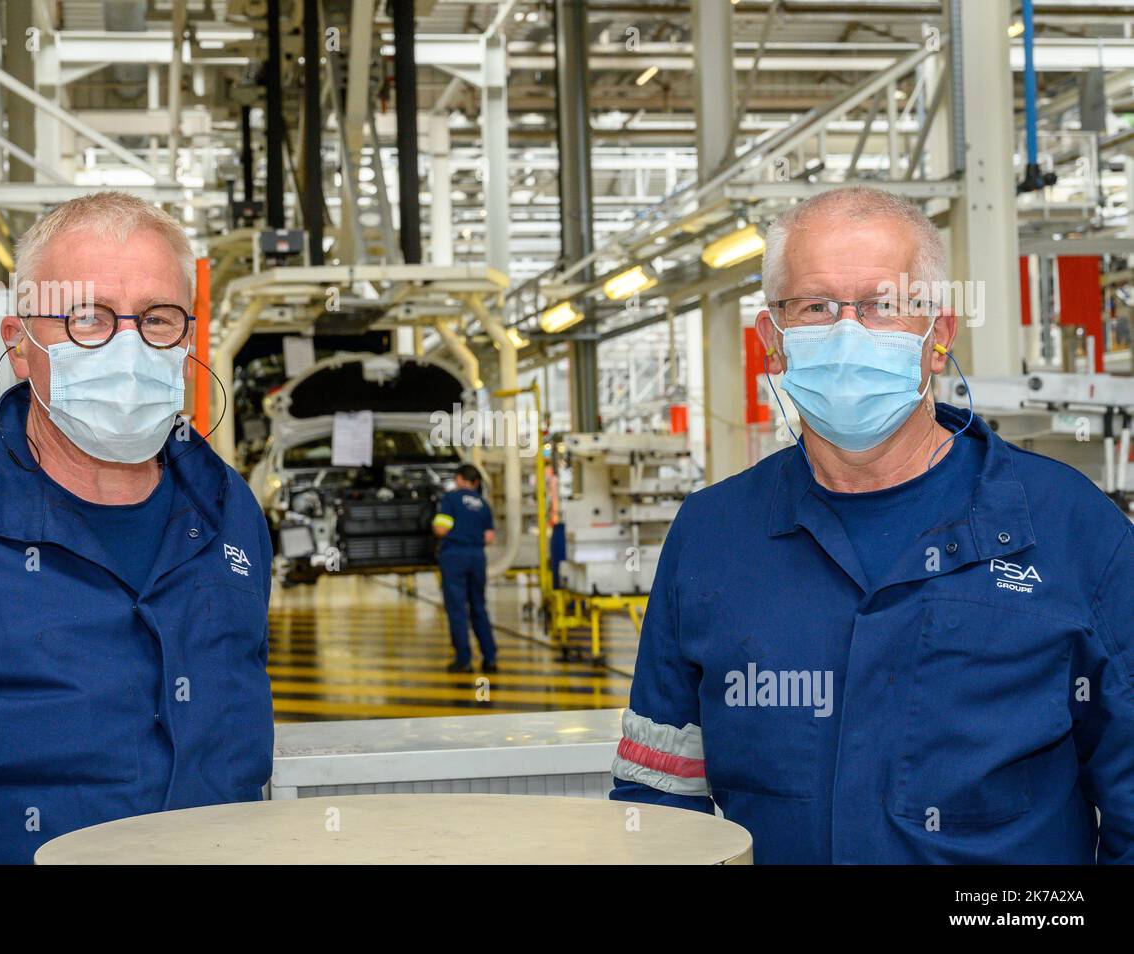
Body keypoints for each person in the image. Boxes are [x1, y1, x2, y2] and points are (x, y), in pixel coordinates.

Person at [610, 186, 1134, 864]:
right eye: (818, 307)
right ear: (774, 341)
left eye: (882, 305)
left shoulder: (1070, 528)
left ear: (937, 337)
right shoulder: (711, 537)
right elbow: (660, 794)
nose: (847, 332)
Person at [0, 191, 275, 863]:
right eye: (86, 318)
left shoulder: (229, 513)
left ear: (186, 336)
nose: (127, 348)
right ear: (20, 344)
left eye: (157, 319)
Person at [433, 464, 499, 673]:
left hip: (455, 557)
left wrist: (436, 526)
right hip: (477, 558)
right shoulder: (483, 504)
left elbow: (441, 529)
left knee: (457, 610)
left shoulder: (451, 499)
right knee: (479, 607)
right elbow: (489, 537)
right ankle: (490, 658)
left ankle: (464, 660)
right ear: (476, 482)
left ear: (459, 479)